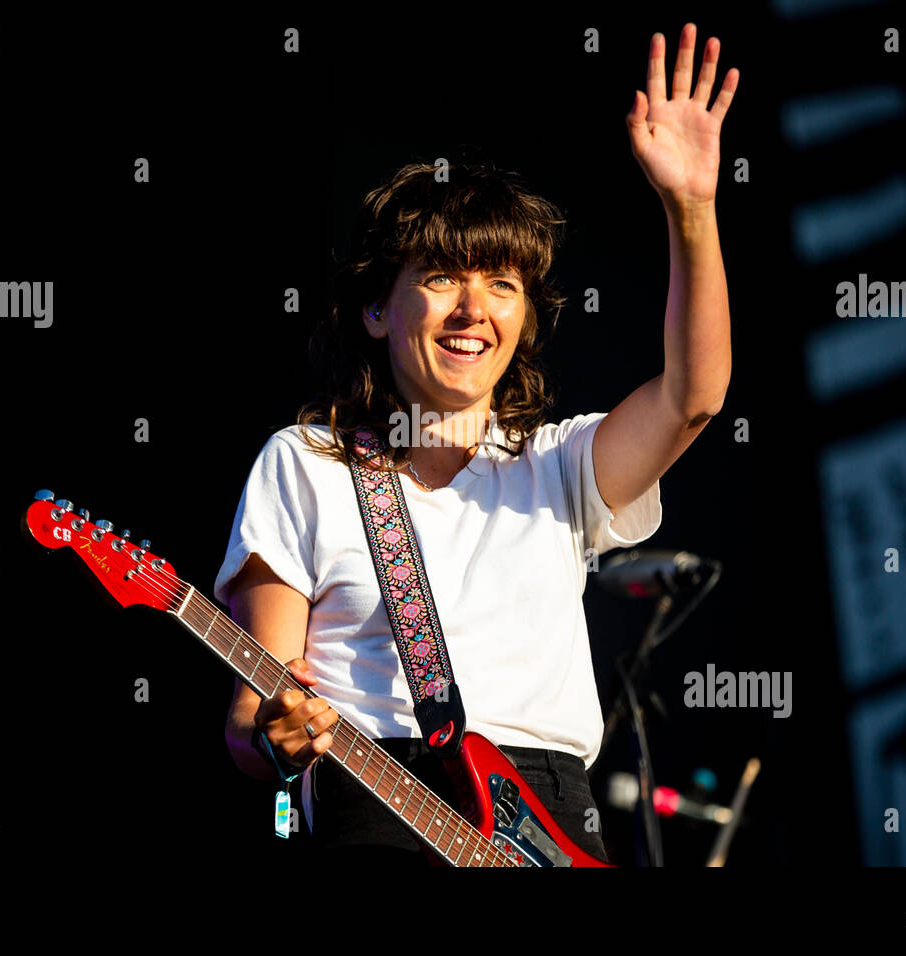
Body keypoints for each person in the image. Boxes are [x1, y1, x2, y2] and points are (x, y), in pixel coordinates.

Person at [215, 23, 737, 866]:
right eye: (441, 276)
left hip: (554, 824)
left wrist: (692, 208)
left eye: (502, 283)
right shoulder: (306, 464)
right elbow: (253, 718)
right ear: (377, 309)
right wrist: (276, 737)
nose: (474, 310)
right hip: (380, 813)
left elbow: (695, 397)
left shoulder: (559, 464)